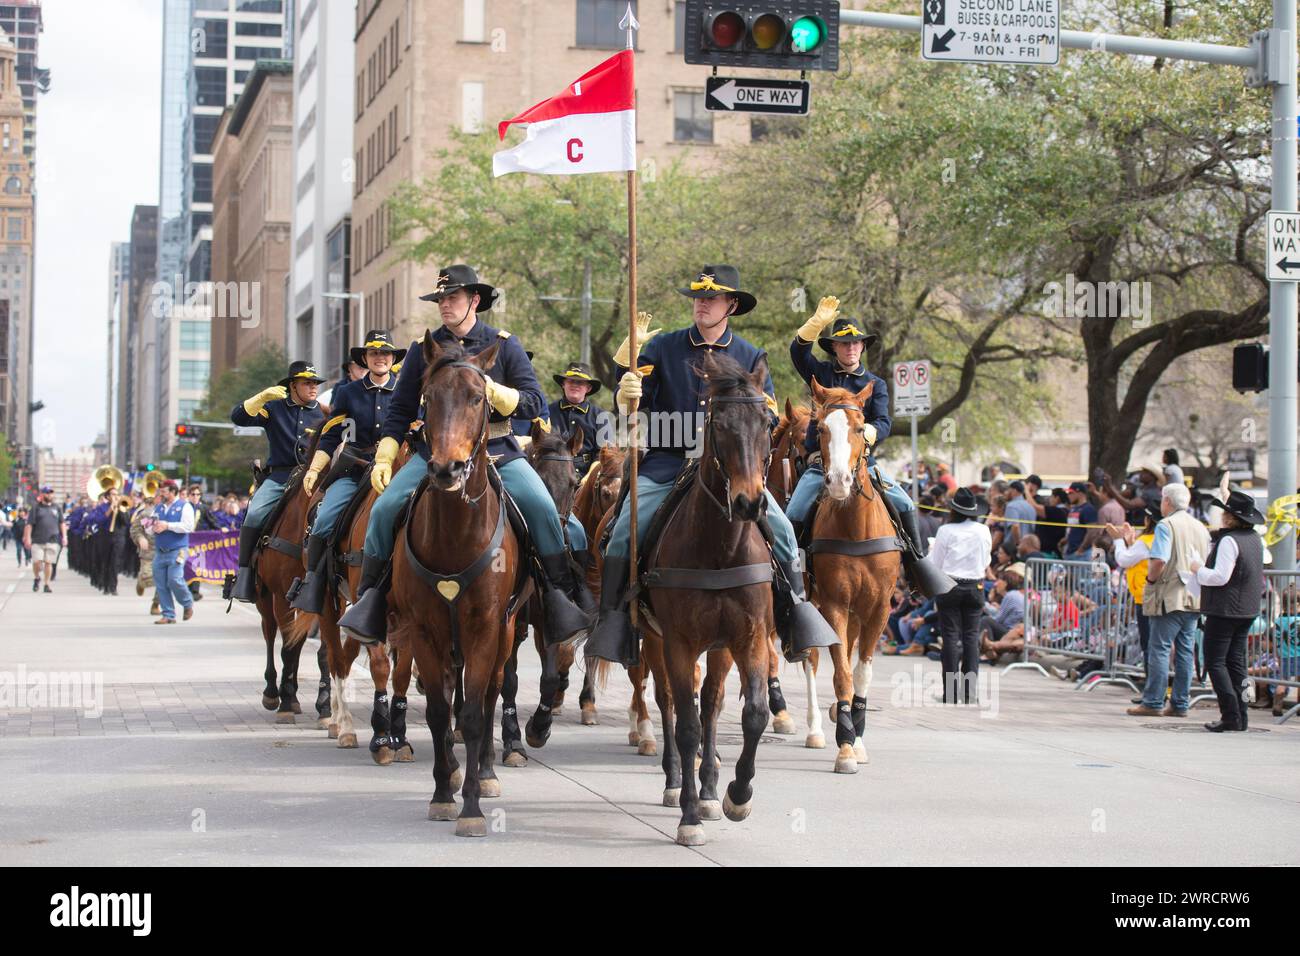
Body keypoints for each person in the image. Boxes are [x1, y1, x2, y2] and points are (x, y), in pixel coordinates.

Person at [585, 265, 839, 667]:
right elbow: (638, 407)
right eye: (699, 297)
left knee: (786, 532)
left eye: (713, 297)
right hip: (669, 461)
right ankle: (616, 623)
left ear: (731, 305)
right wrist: (625, 396)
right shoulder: (662, 348)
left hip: (732, 468)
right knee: (621, 532)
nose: (702, 303)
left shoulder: (750, 355)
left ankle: (794, 616)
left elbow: (768, 413)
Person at [339, 265, 593, 646]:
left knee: (542, 508)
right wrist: (385, 455)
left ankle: (559, 597)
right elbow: (401, 409)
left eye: (452, 298)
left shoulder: (504, 344)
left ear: (474, 300)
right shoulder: (421, 350)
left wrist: (493, 391)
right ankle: (371, 598)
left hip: (497, 451)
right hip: (435, 453)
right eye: (440, 299)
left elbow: (534, 403)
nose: (444, 305)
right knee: (383, 510)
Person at [783, 299, 935, 586]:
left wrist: (870, 432)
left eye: (855, 343)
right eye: (844, 343)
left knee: (904, 503)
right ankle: (795, 575)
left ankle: (917, 568)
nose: (850, 347)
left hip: (863, 462)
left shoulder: (875, 383)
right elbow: (797, 353)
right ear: (834, 348)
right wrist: (814, 324)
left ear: (862, 347)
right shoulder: (823, 375)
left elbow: (884, 421)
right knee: (795, 511)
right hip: (822, 463)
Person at [290, 330, 404, 614]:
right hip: (356, 470)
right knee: (324, 520)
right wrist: (315, 468)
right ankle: (313, 585)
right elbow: (330, 435)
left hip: (398, 471)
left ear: (392, 358)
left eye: (386, 353)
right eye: (375, 353)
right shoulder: (348, 393)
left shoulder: (406, 391)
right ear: (365, 358)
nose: (380, 358)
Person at [228, 360, 327, 602]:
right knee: (253, 514)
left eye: (315, 383)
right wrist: (261, 397)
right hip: (281, 476)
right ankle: (245, 576)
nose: (313, 387)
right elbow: (239, 417)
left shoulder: (325, 412)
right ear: (293, 385)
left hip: (314, 476)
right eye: (307, 383)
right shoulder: (274, 408)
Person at [1126, 483, 1210, 718]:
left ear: (1167, 501)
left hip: (1169, 595)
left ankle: (1153, 701)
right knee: (1184, 651)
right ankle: (1180, 703)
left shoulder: (1166, 525)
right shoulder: (1200, 527)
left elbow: (1159, 560)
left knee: (1160, 649)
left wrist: (1151, 581)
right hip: (1193, 595)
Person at [1192, 490, 1266, 732]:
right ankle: (1242, 714)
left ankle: (1230, 714)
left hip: (1225, 609)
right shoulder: (1255, 539)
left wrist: (1197, 569)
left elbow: (1220, 577)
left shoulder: (1229, 540)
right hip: (1247, 609)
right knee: (1238, 663)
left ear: (1229, 516)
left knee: (1215, 662)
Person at [929, 488, 992, 702]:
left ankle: (950, 693)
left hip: (950, 585)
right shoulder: (983, 530)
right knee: (971, 639)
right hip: (975, 586)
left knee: (950, 638)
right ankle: (969, 692)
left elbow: (936, 563)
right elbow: (986, 561)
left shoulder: (946, 530)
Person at [1109, 503, 1161, 694]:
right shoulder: (1161, 539)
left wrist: (1118, 541)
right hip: (1158, 596)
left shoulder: (1147, 540)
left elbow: (1124, 559)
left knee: (1150, 646)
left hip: (1145, 597)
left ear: (1149, 520)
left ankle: (1152, 693)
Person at [547, 362, 611, 478]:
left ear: (588, 388)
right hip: (553, 475)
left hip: (588, 478)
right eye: (571, 381)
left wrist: (590, 476)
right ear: (563, 384)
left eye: (580, 382)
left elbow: (604, 453)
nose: (575, 385)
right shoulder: (547, 412)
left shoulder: (601, 416)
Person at [150, 479, 196, 624]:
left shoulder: (184, 506)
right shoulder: (158, 507)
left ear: (173, 491)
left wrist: (168, 525)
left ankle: (187, 603)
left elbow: (188, 526)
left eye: (164, 491)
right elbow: (150, 525)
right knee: (161, 583)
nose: (161, 494)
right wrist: (151, 528)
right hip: (160, 550)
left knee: (175, 579)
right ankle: (168, 614)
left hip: (177, 550)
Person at [24, 485, 64, 593]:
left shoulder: (57, 508)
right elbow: (29, 524)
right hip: (37, 540)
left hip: (53, 539)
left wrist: (64, 537)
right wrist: (27, 538)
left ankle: (47, 584)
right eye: (47, 492)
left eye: (51, 492)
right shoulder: (36, 508)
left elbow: (62, 523)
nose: (49, 494)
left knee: (48, 562)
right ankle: (37, 577)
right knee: (37, 561)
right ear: (42, 494)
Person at [1061, 481, 1099, 560]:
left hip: (1082, 555)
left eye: (1071, 493)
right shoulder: (1073, 509)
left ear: (1080, 493)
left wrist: (1081, 549)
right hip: (1070, 552)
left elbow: (1092, 532)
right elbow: (1073, 528)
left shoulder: (1088, 509)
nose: (1068, 496)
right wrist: (1065, 540)